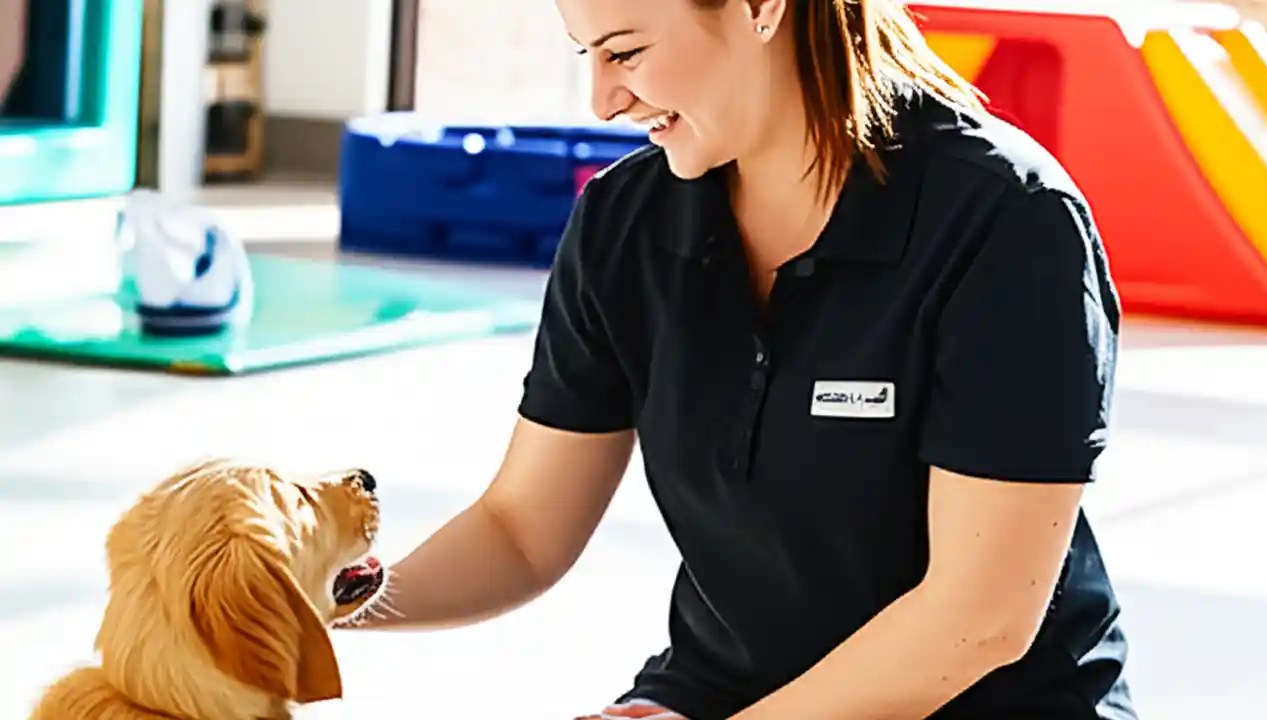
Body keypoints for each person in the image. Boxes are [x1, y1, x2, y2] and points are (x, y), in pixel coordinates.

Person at [343, 0, 1139, 718]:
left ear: (762, 8)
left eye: (623, 53)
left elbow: (978, 621)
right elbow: (522, 531)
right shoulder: (624, 225)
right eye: (584, 56)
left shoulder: (1009, 222)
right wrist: (321, 601)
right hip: (725, 694)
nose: (602, 100)